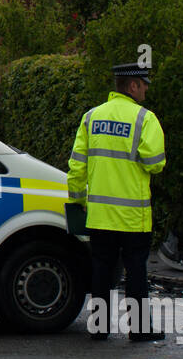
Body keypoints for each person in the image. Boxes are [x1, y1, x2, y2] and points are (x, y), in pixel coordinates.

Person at [68, 63, 167, 341]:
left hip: (99, 215)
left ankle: (99, 328)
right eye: (144, 83)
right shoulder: (145, 119)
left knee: (101, 270)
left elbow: (77, 166)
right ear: (132, 86)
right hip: (133, 216)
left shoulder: (91, 117)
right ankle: (138, 329)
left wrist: (76, 199)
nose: (147, 87)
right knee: (136, 271)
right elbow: (155, 163)